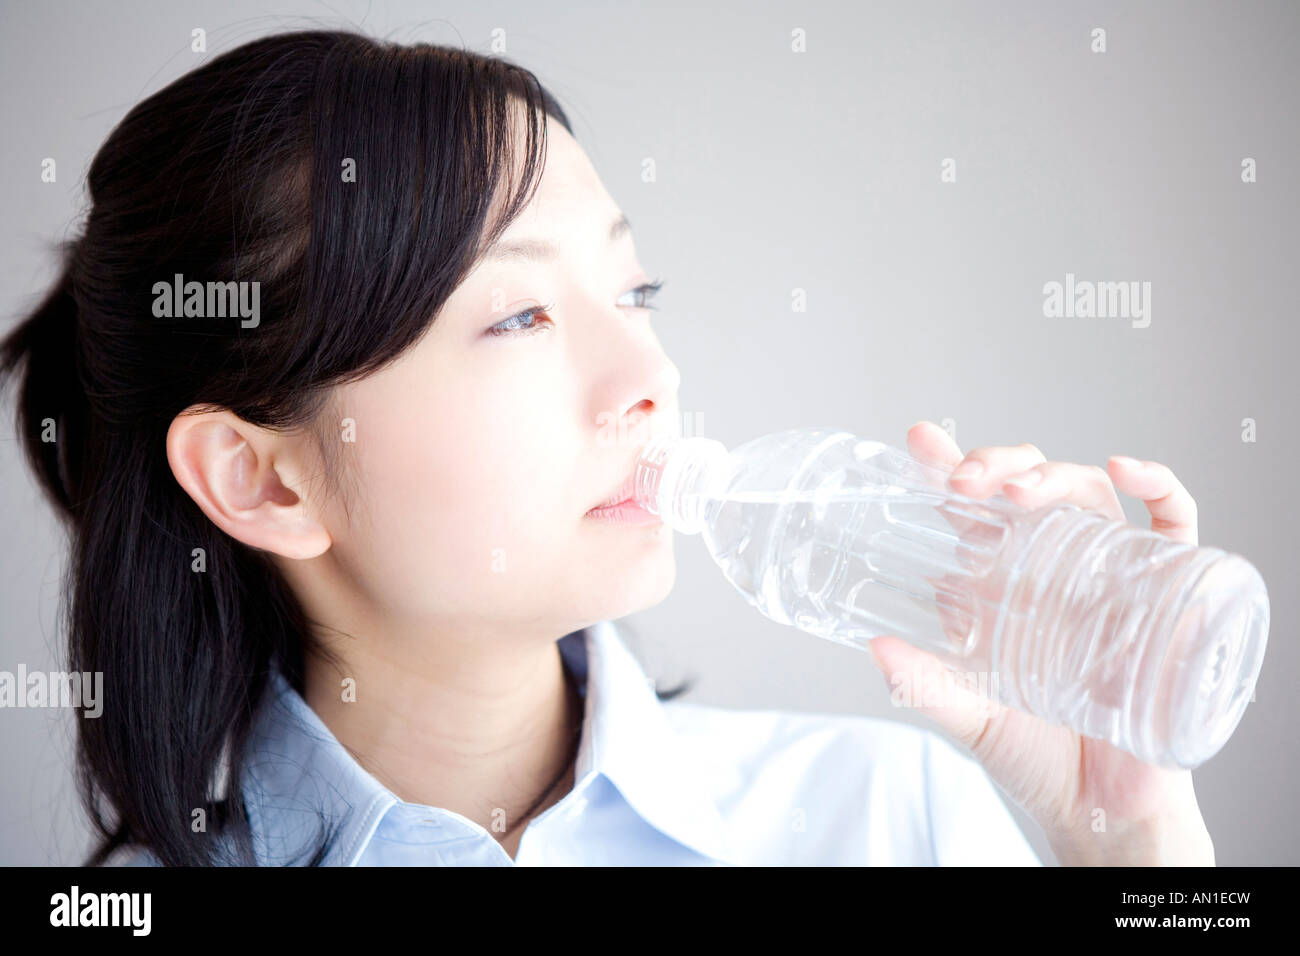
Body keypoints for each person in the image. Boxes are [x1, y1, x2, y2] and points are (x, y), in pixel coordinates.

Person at [1, 29, 1213, 866]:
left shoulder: (882, 820)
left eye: (635, 291)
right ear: (263, 476)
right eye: (519, 314)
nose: (653, 378)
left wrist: (1130, 841)